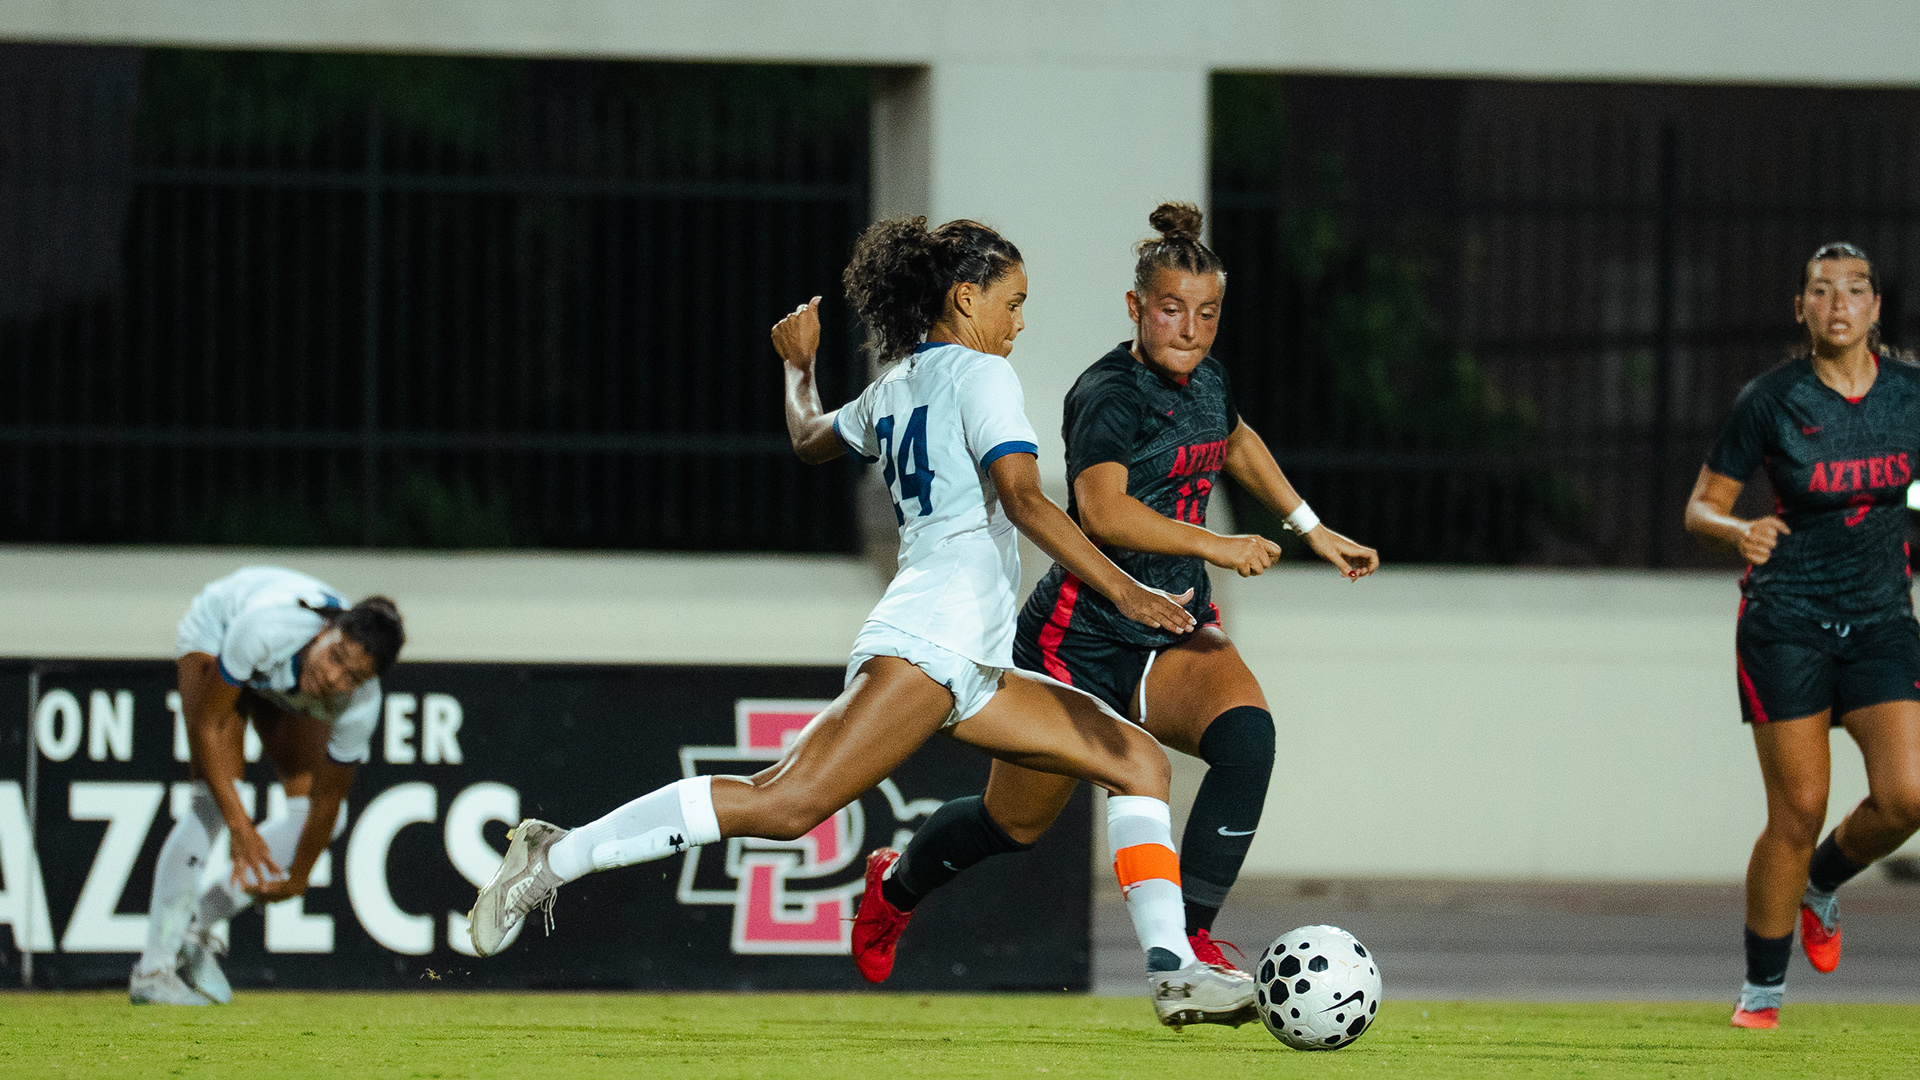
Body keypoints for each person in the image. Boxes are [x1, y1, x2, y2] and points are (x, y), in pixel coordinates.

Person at [467, 216, 1258, 1025]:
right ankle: (554, 853)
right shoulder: (982, 378)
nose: (1022, 321)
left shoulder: (898, 383)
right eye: (1014, 302)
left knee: (1135, 759)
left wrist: (799, 370)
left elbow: (811, 439)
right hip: (928, 642)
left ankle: (1172, 970)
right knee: (784, 805)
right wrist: (1124, 589)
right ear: (965, 297)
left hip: (969, 663)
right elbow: (1025, 499)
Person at [851, 202, 1379, 992]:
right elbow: (1100, 510)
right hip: (1079, 637)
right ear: (1136, 308)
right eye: (1172, 309)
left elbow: (1234, 440)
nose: (1190, 329)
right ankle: (894, 888)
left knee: (1248, 742)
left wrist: (1310, 525)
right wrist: (1219, 544)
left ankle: (1192, 943)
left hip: (1172, 625)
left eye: (1207, 313)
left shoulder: (1208, 380)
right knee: (1015, 824)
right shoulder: (1108, 392)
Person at [1684, 242, 1920, 1029]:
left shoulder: (1911, 397)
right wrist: (1736, 529)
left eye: (1855, 289)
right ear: (1801, 309)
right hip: (1787, 621)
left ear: (1876, 309)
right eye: (1821, 291)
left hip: (1883, 618)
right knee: (1800, 806)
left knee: (1907, 796)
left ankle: (1823, 883)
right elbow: (1700, 507)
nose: (1838, 304)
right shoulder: (1771, 398)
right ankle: (1761, 990)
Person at [132, 566, 404, 1005]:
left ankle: (195, 925)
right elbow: (209, 725)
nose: (335, 681)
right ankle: (153, 971)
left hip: (273, 673)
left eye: (352, 677)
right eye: (336, 658)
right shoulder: (265, 629)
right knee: (213, 807)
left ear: (366, 683)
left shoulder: (360, 706)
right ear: (325, 632)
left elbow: (328, 799)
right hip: (217, 634)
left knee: (319, 823)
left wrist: (298, 877)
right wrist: (241, 828)